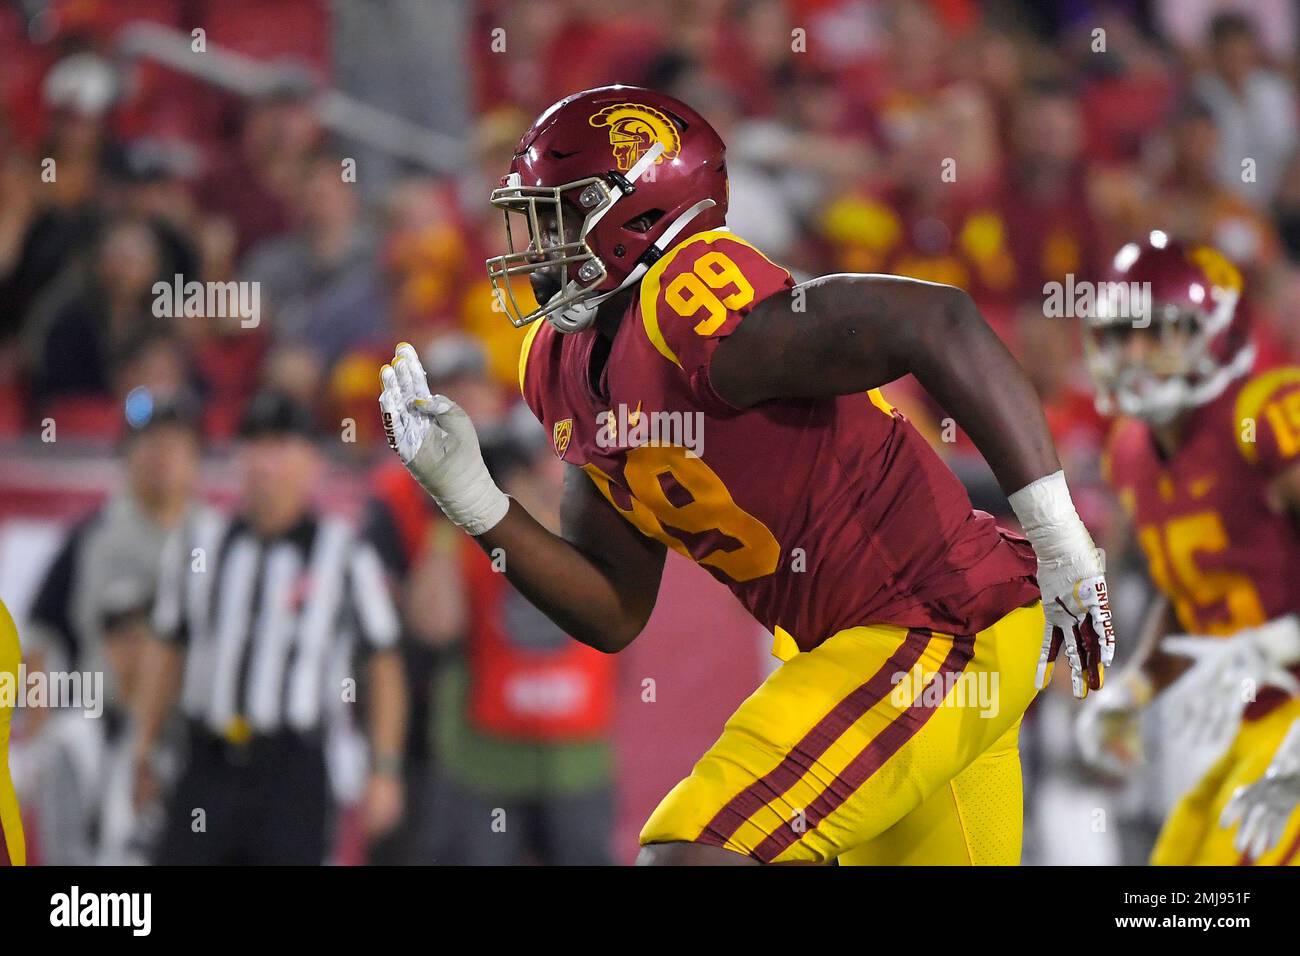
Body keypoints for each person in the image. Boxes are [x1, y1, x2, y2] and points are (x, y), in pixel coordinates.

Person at [380, 86, 1113, 865]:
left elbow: (938, 321)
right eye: (535, 216)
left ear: (642, 211)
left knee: (694, 853)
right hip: (880, 648)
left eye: (561, 215)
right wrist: (477, 502)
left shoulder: (685, 301)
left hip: (935, 622)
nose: (539, 242)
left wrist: (1061, 539)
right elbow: (614, 606)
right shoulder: (557, 364)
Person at [1075, 232, 1300, 865]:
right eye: (1121, 336)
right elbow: (1189, 597)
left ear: (1218, 333)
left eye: (1158, 334)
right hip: (1258, 724)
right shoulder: (1130, 452)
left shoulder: (1268, 416)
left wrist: (1282, 643)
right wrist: (1134, 689)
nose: (1135, 356)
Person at [135, 390, 407, 864]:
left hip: (291, 769)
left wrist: (383, 766)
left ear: (311, 462)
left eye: (280, 446)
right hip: (207, 759)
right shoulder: (200, 545)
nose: (264, 463)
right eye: (254, 445)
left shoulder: (343, 554)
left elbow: (382, 663)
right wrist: (144, 747)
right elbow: (167, 648)